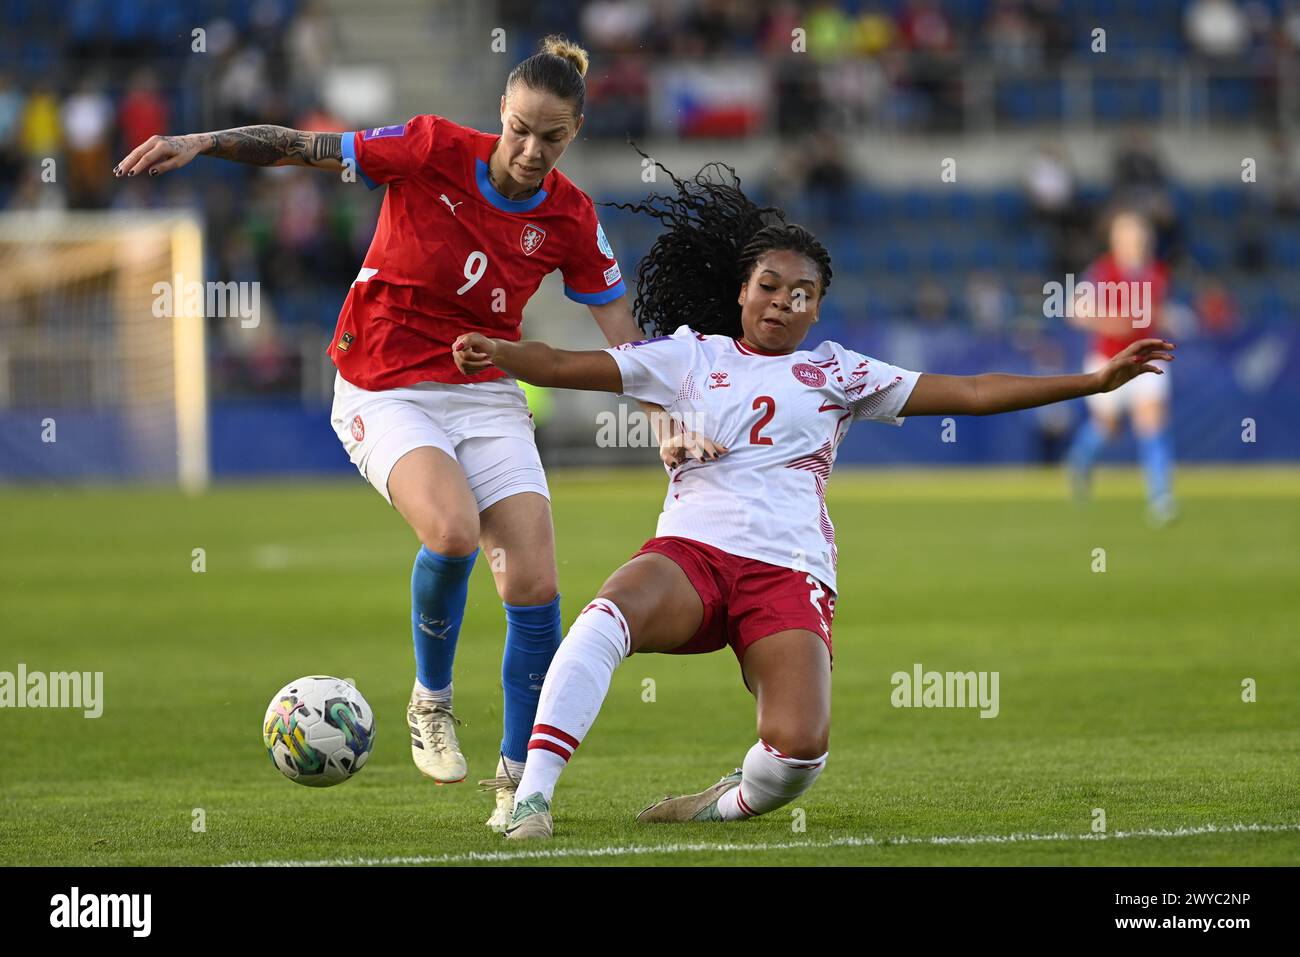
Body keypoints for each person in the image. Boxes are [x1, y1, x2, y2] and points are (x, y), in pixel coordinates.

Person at [450, 160, 1175, 839]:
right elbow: (559, 363)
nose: (781, 301)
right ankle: (535, 795)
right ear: (742, 289)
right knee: (604, 618)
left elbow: (977, 392)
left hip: (788, 572)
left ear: (817, 308)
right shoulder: (685, 356)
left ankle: (718, 804)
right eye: (768, 284)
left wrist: (1094, 383)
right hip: (691, 555)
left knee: (798, 753)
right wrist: (498, 351)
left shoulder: (839, 373)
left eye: (801, 293)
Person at [114, 36, 715, 829]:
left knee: (534, 584)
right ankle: (430, 700)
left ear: (575, 133)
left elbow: (623, 339)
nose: (532, 151)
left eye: (553, 138)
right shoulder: (430, 148)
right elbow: (303, 147)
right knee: (455, 530)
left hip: (484, 391)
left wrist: (665, 424)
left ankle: (517, 785)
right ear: (502, 113)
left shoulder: (570, 215)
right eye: (522, 130)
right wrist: (203, 141)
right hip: (383, 382)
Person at [1064, 208, 1177, 525]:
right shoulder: (1101, 271)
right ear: (1116, 239)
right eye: (1129, 233)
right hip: (1110, 362)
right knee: (1108, 427)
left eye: (1140, 232)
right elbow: (1075, 311)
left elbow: (1156, 311)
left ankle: (1161, 498)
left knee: (1152, 422)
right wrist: (1109, 323)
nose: (1137, 239)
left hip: (1148, 358)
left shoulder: (1157, 271)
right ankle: (1080, 462)